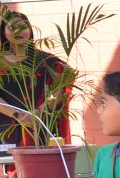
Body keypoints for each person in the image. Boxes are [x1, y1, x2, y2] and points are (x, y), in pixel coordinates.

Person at [0, 10, 71, 144]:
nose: (18, 31)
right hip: (7, 130)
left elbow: (61, 88)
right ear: (4, 32)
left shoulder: (47, 62)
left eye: (22, 26)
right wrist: (17, 115)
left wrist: (38, 112)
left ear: (30, 30)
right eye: (12, 27)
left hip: (42, 127)